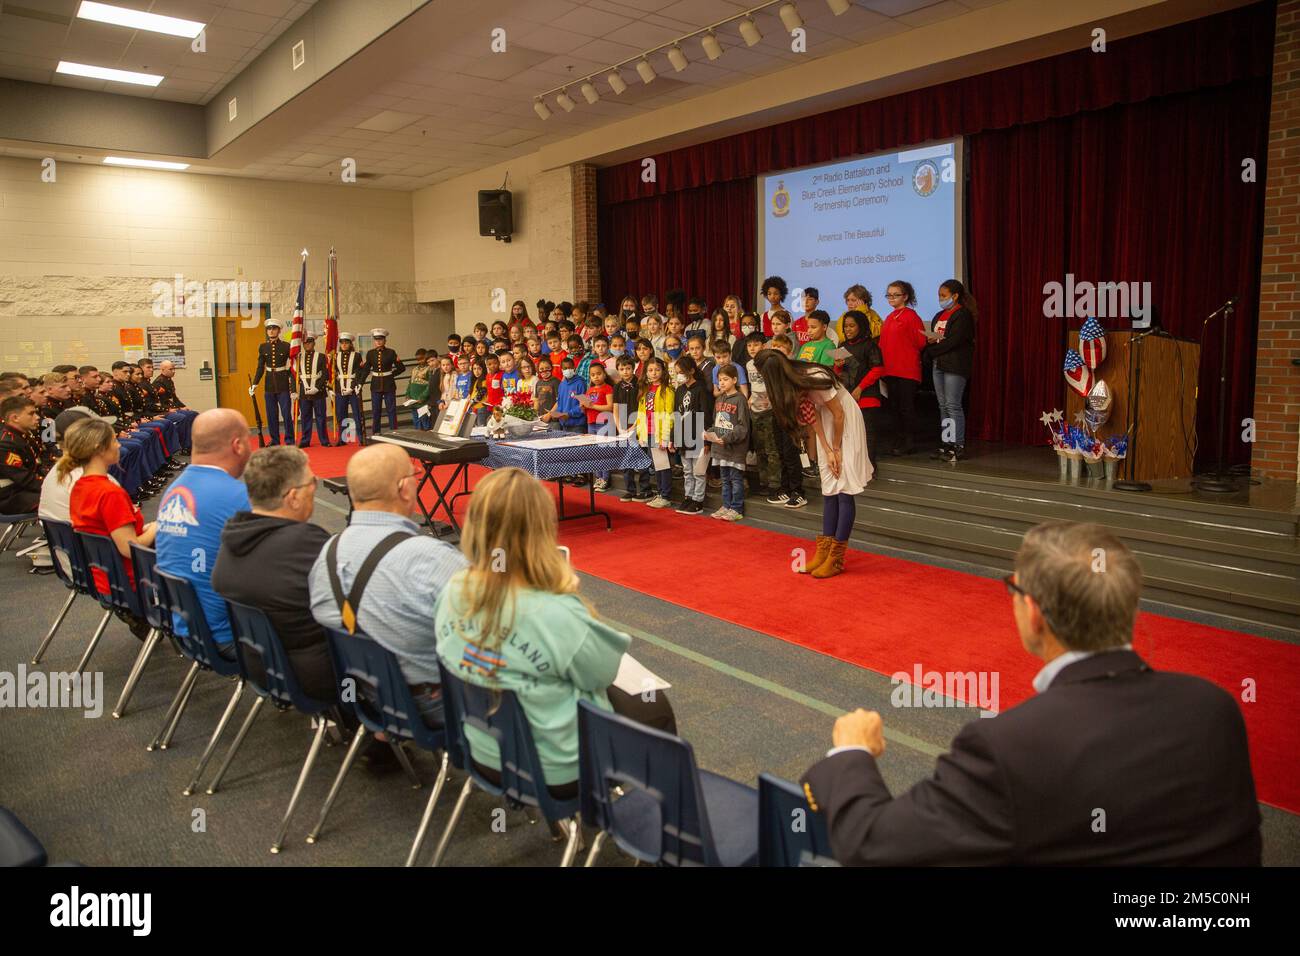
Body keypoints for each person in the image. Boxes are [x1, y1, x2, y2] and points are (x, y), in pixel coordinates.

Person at [801, 522, 1262, 866]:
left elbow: (874, 847)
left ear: (1035, 613)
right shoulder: (1214, 709)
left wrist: (851, 753)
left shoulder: (1006, 747)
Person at [433, 467, 675, 796]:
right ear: (543, 531)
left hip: (483, 749)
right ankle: (654, 823)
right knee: (654, 706)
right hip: (555, 771)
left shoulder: (453, 590)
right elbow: (602, 674)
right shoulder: (554, 613)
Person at [310, 443, 468, 727]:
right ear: (404, 489)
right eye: (415, 475)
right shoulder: (431, 558)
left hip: (361, 693)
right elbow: (490, 632)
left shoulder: (328, 552)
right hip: (427, 705)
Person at [211, 446, 335, 700]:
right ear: (293, 497)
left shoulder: (231, 540)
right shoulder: (305, 545)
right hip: (318, 677)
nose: (315, 485)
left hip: (260, 666)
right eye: (312, 482)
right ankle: (371, 727)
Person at [757, 349, 871, 578]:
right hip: (826, 422)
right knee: (829, 488)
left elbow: (839, 414)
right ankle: (823, 552)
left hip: (845, 422)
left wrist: (836, 448)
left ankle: (836, 558)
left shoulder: (815, 375)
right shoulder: (793, 382)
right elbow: (813, 415)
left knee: (844, 488)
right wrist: (826, 449)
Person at [155, 409, 253, 657]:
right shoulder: (236, 497)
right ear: (238, 445)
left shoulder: (175, 489)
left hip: (186, 626)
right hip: (226, 637)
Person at [64, 418, 156, 638]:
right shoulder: (109, 493)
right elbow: (129, 548)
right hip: (131, 579)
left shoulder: (80, 486)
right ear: (99, 448)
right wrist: (158, 527)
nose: (118, 445)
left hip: (105, 577)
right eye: (114, 440)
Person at [924, 279, 978, 462]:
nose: (940, 299)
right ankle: (947, 442)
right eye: (939, 295)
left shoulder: (962, 315)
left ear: (955, 296)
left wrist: (932, 350)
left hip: (955, 364)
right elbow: (939, 339)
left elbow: (955, 341)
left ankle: (958, 444)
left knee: (953, 405)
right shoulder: (939, 315)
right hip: (939, 364)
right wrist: (931, 343)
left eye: (944, 295)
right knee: (943, 405)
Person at [878, 281, 929, 456]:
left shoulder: (911, 316)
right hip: (890, 370)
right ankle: (898, 439)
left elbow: (920, 342)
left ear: (905, 296)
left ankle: (909, 442)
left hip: (906, 370)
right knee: (895, 408)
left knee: (906, 408)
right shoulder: (890, 317)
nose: (891, 298)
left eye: (896, 294)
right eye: (889, 295)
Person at [764, 336, 808, 510]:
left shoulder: (794, 369)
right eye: (774, 346)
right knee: (780, 452)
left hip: (792, 416)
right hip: (777, 414)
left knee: (791, 455)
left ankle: (798, 491)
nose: (776, 350)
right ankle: (786, 488)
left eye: (780, 348)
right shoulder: (772, 369)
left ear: (789, 352)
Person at [838, 311, 886, 471]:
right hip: (847, 396)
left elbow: (877, 369)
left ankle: (869, 468)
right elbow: (838, 373)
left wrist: (860, 388)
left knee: (867, 433)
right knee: (850, 433)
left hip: (867, 396)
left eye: (852, 326)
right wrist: (837, 365)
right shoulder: (842, 346)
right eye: (845, 326)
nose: (848, 329)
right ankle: (854, 467)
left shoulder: (869, 345)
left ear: (861, 326)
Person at [704, 364, 750, 521]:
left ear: (735, 380)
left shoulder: (740, 400)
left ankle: (736, 508)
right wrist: (708, 433)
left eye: (725, 379)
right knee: (724, 478)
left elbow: (743, 427)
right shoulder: (719, 399)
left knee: (736, 479)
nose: (722, 383)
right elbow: (716, 423)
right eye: (719, 380)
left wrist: (727, 438)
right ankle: (726, 504)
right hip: (720, 448)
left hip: (734, 448)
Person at [670, 355, 710, 515]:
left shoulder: (701, 389)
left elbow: (706, 414)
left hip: (698, 435)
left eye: (682, 372)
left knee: (698, 470)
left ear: (691, 371)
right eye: (677, 372)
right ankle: (688, 496)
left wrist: (707, 440)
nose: (679, 375)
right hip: (683, 435)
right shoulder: (679, 390)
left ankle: (698, 500)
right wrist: (673, 437)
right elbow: (676, 415)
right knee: (687, 470)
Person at [637, 357, 675, 509]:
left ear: (663, 371)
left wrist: (665, 437)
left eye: (657, 370)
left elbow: (669, 414)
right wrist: (641, 433)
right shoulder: (645, 390)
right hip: (649, 432)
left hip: (660, 433)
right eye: (651, 370)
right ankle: (659, 493)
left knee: (663, 465)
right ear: (646, 373)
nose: (654, 373)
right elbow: (641, 413)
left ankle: (665, 495)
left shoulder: (667, 390)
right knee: (656, 465)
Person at [745, 332, 780, 495]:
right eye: (749, 345)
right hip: (755, 409)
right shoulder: (748, 365)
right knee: (759, 447)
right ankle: (763, 481)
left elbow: (774, 384)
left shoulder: (769, 362)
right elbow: (754, 385)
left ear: (764, 345)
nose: (752, 348)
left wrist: (772, 400)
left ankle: (775, 483)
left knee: (771, 447)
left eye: (756, 344)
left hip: (769, 408)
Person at [249, 319, 295, 445]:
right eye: (269, 329)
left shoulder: (286, 346)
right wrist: (255, 383)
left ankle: (290, 439)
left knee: (286, 414)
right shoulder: (263, 347)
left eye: (274, 328)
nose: (271, 331)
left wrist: (294, 385)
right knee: (271, 415)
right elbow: (260, 367)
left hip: (283, 383)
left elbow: (292, 367)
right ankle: (275, 440)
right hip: (269, 384)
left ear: (279, 331)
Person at [0, 395, 46, 514]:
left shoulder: (22, 435)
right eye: (31, 414)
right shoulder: (5, 443)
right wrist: (51, 486)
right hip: (11, 496)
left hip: (25, 490)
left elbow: (38, 465)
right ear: (15, 418)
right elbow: (24, 478)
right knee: (64, 500)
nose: (37, 418)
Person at [579, 362, 614, 491]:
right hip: (591, 422)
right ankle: (598, 477)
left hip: (603, 422)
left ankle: (605, 478)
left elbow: (610, 407)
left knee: (604, 451)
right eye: (593, 375)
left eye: (599, 374)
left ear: (604, 374)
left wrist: (592, 406)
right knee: (594, 451)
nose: (596, 377)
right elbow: (587, 409)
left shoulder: (608, 388)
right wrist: (583, 406)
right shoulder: (589, 390)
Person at [365, 328, 405, 434]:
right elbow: (365, 370)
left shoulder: (391, 352)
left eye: (381, 339)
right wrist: (359, 382)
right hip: (375, 385)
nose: (378, 341)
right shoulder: (370, 353)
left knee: (391, 410)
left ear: (385, 340)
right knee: (376, 411)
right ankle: (376, 432)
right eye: (376, 339)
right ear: (374, 341)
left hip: (389, 385)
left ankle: (394, 431)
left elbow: (401, 368)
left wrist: (391, 375)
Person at [294, 334, 331, 446]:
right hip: (304, 393)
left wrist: (317, 387)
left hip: (318, 392)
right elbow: (294, 375)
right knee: (305, 417)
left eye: (309, 342)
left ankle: (324, 440)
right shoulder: (298, 357)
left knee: (321, 417)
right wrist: (293, 391)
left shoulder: (321, 357)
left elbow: (325, 374)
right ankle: (305, 441)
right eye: (305, 343)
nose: (307, 344)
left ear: (314, 343)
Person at [333, 331, 366, 443]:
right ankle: (343, 439)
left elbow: (359, 373)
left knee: (357, 413)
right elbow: (333, 373)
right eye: (342, 343)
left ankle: (361, 437)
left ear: (350, 344)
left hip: (353, 389)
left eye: (346, 342)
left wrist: (352, 387)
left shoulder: (357, 355)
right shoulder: (335, 356)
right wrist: (331, 388)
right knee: (340, 414)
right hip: (340, 388)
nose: (344, 345)